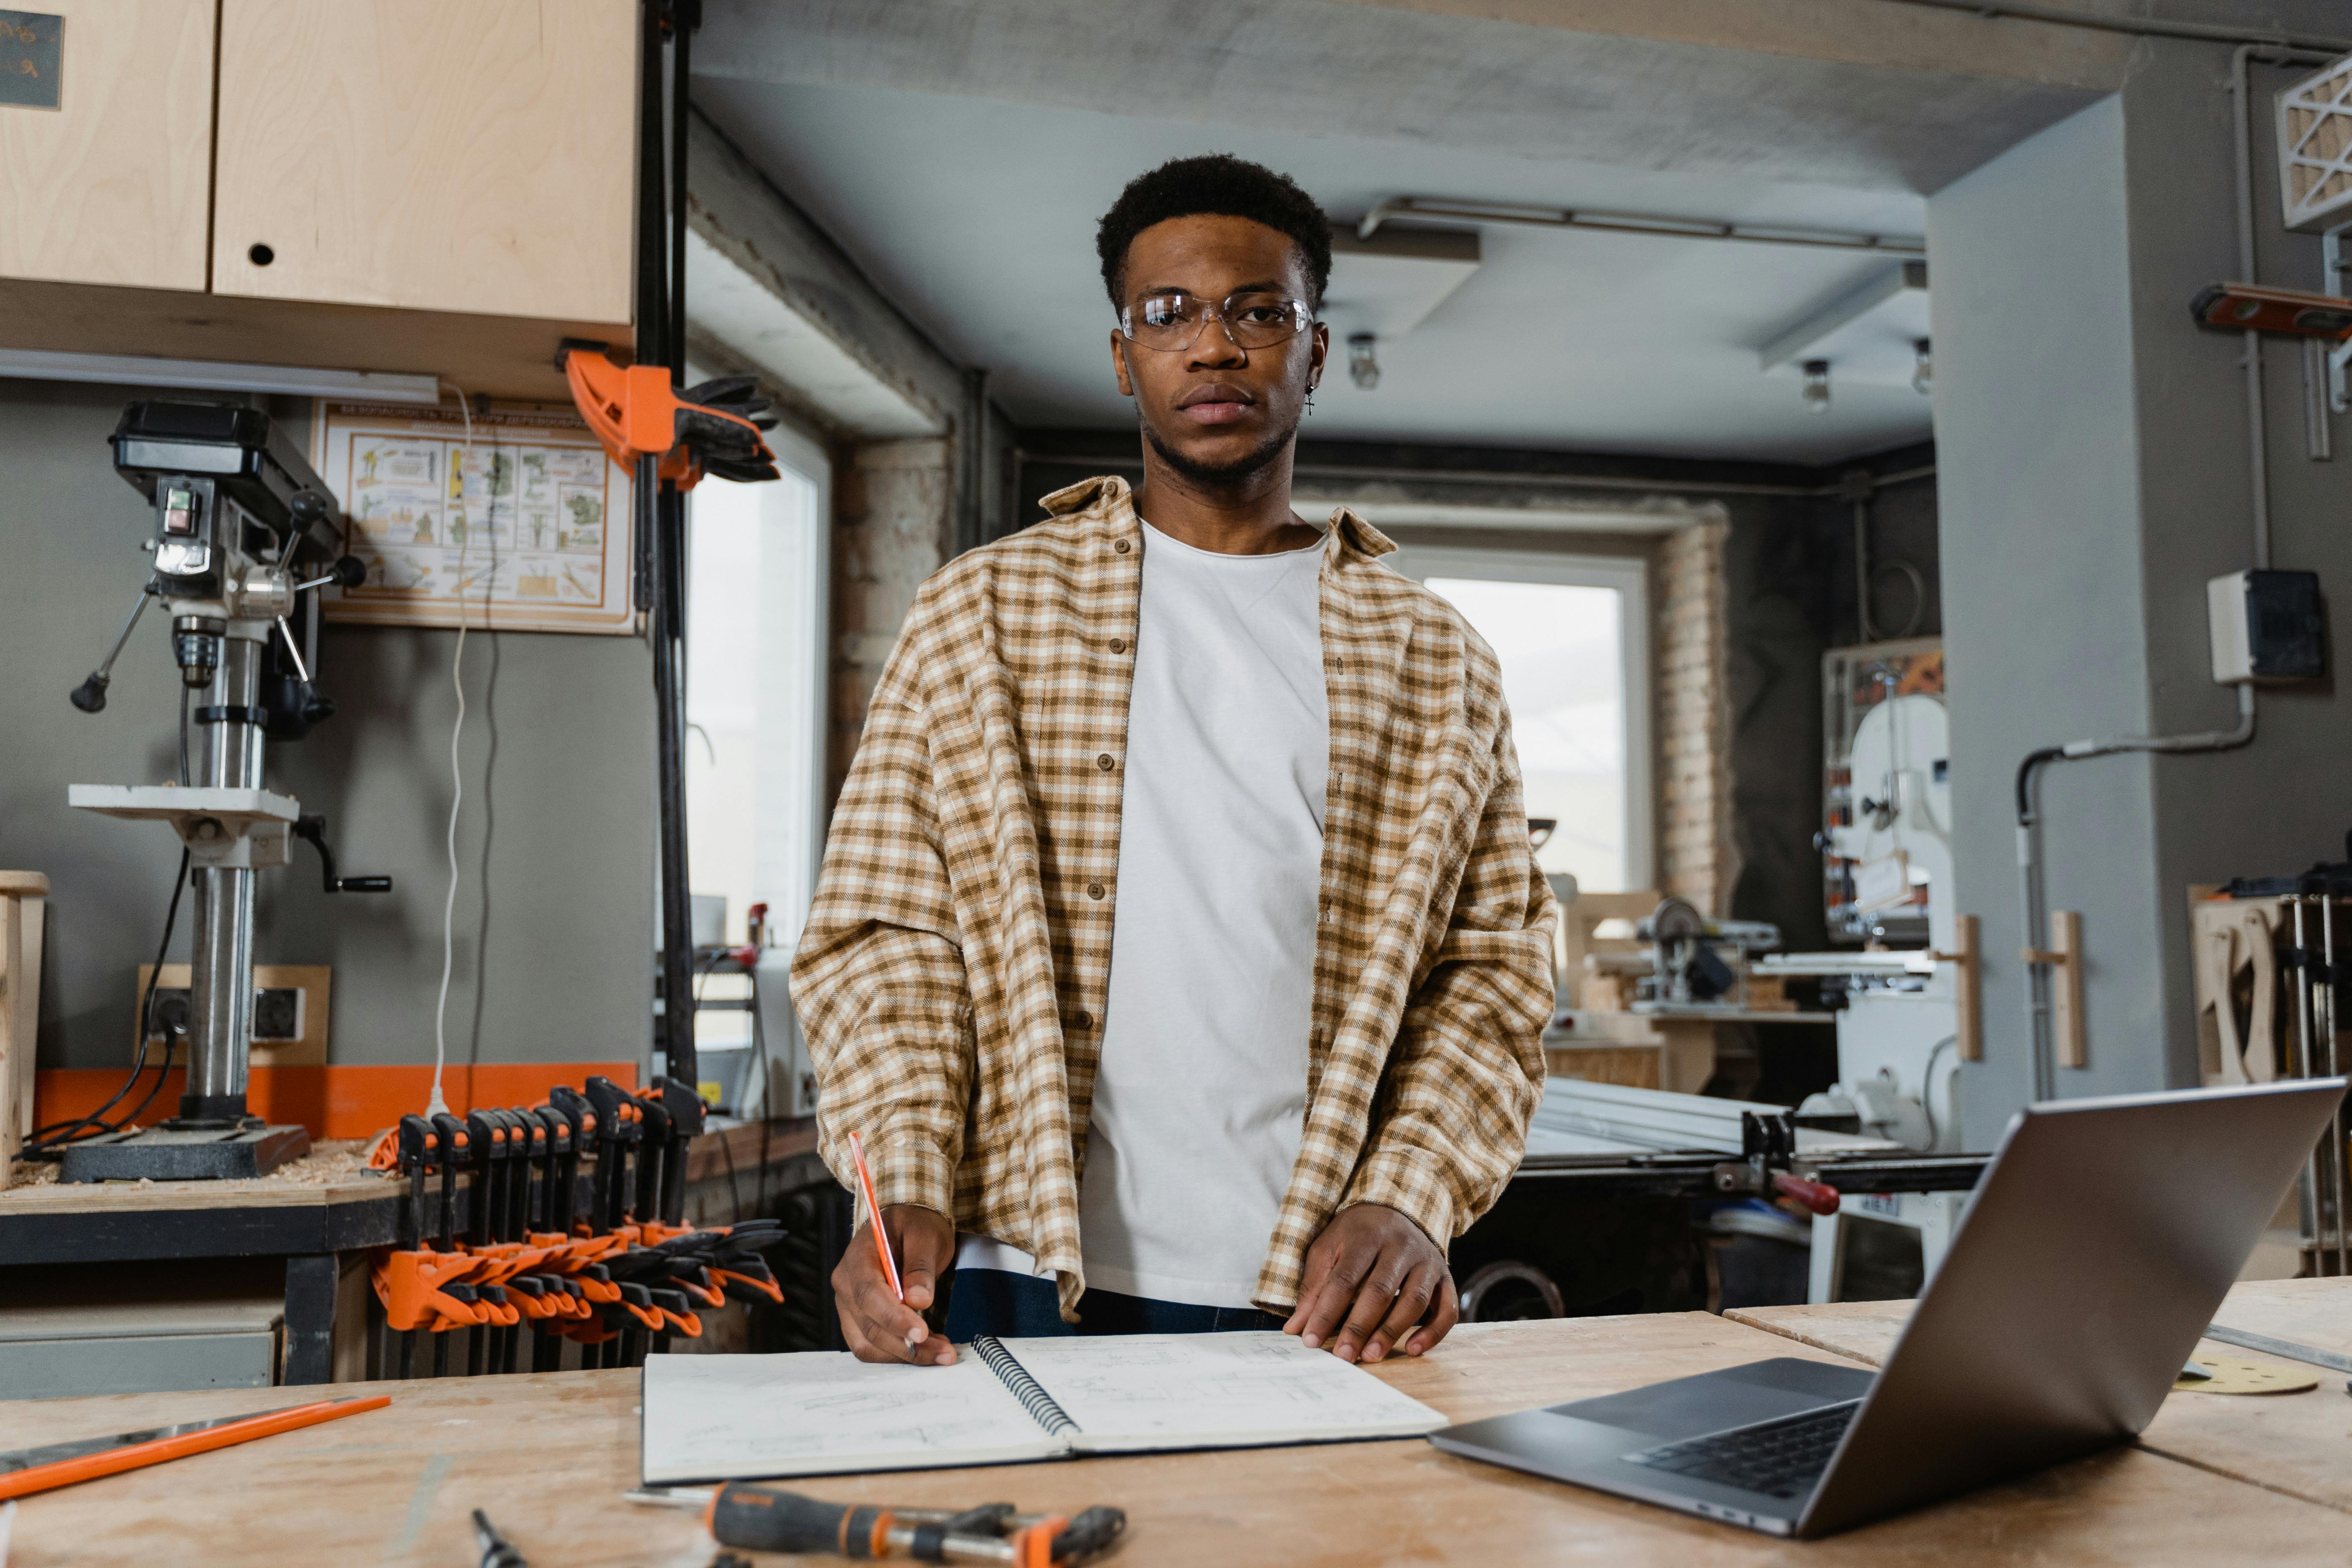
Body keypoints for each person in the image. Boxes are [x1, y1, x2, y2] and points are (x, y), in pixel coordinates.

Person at [792, 153, 1557, 1370]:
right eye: (1170, 314)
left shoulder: (1432, 659)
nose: (1215, 347)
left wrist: (1412, 1195)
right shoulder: (979, 618)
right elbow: (892, 936)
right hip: (1016, 1275)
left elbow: (1492, 976)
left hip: (1325, 1296)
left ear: (1312, 351)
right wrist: (908, 1172)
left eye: (1261, 311)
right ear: (1124, 356)